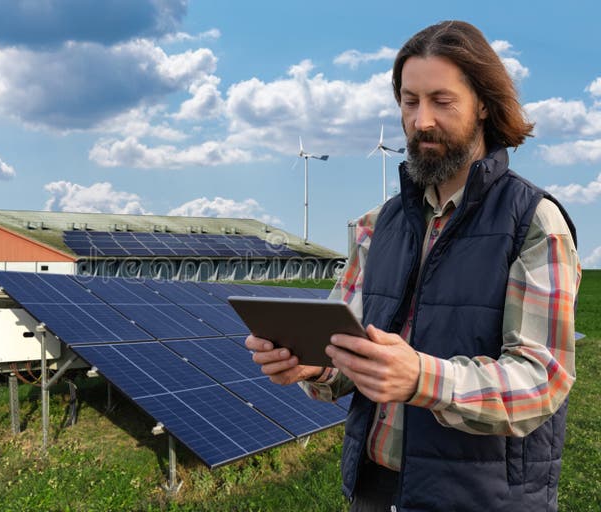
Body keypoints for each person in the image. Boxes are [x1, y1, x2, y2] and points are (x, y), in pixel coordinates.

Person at [246, 20, 581, 512]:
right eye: (409, 101)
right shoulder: (377, 225)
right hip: (376, 492)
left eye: (441, 101)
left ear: (484, 104)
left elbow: (541, 380)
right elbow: (346, 358)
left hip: (483, 499)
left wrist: (424, 378)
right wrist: (314, 364)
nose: (421, 120)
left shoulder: (532, 222)